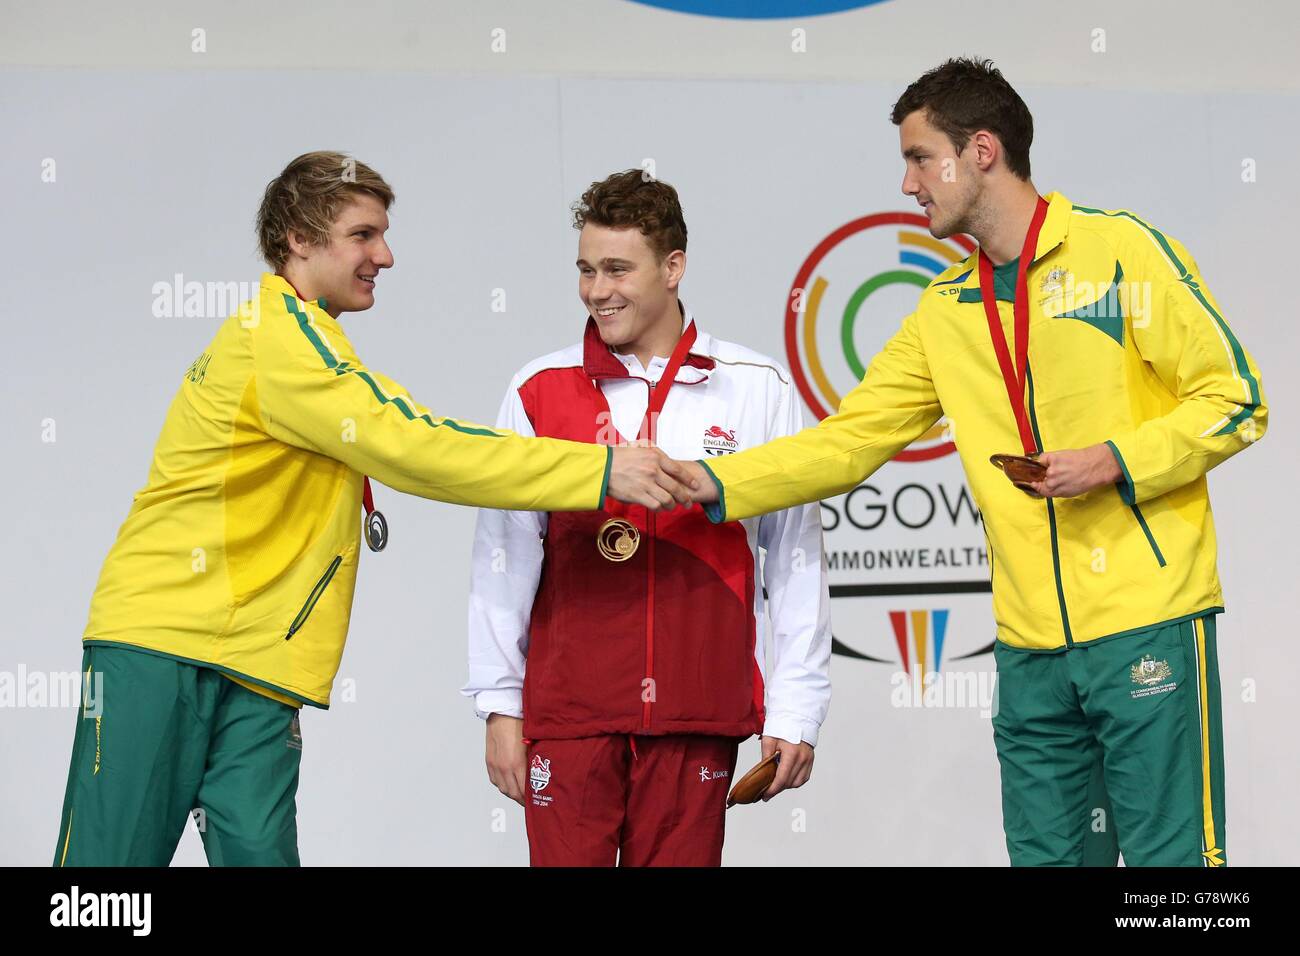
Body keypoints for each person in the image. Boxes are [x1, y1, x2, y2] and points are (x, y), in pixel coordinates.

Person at [675, 59, 1267, 867]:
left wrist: (1115, 459)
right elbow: (848, 442)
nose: (909, 181)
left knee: (1178, 878)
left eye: (921, 158)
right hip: (1027, 652)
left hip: (1147, 625)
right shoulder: (943, 308)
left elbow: (1234, 399)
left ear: (982, 149)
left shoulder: (1120, 252)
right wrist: (715, 481)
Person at [54, 151, 692, 867]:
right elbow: (416, 445)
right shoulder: (278, 341)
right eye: (363, 235)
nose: (384, 255)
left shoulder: (315, 341)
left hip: (257, 660)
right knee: (103, 882)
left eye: (382, 234)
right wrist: (600, 467)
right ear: (299, 238)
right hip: (164, 642)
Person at [463, 170, 832, 866]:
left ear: (673, 267)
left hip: (699, 708)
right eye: (585, 270)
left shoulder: (757, 387)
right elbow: (501, 560)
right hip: (569, 716)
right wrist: (500, 705)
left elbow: (794, 561)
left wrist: (796, 709)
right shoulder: (538, 388)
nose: (597, 290)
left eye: (617, 269)